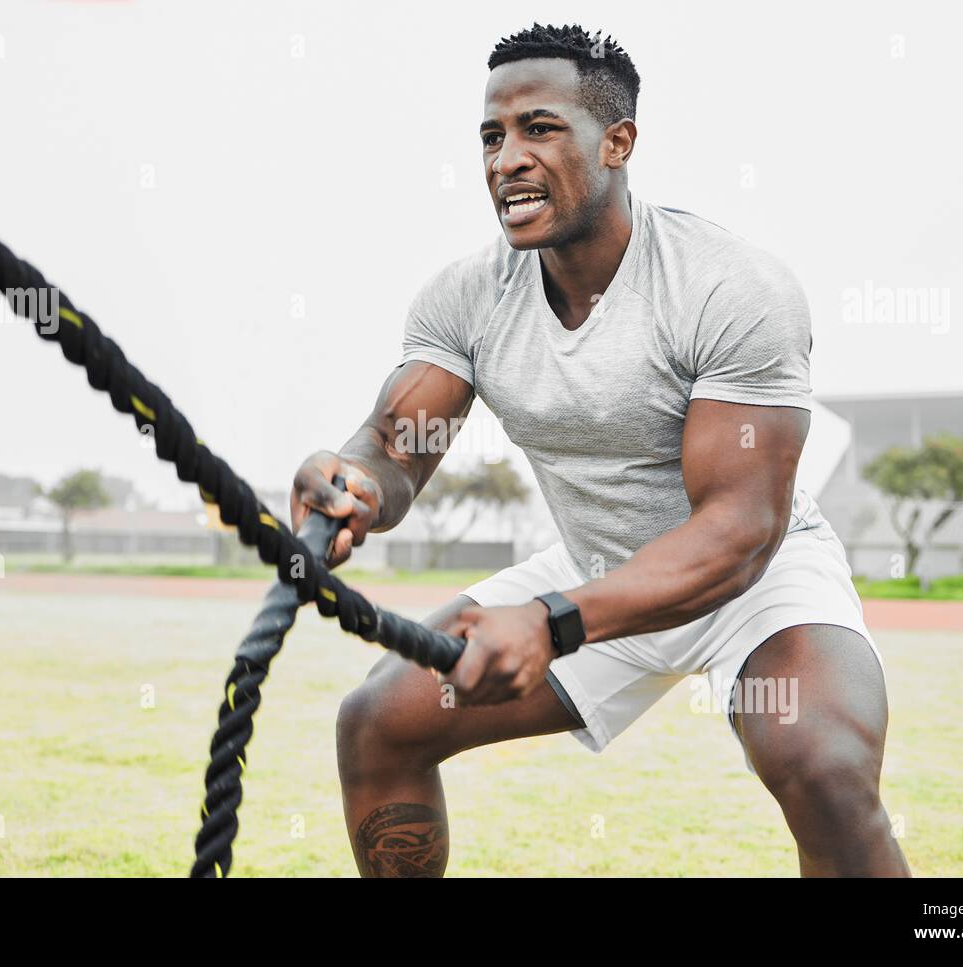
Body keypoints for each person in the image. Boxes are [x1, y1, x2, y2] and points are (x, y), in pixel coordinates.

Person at [289, 22, 909, 878]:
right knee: (378, 723)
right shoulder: (466, 297)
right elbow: (396, 447)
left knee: (824, 770)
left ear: (618, 141)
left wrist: (552, 622)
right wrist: (349, 480)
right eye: (490, 136)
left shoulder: (731, 287)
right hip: (593, 570)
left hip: (755, 581)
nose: (505, 159)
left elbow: (738, 530)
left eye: (538, 128)